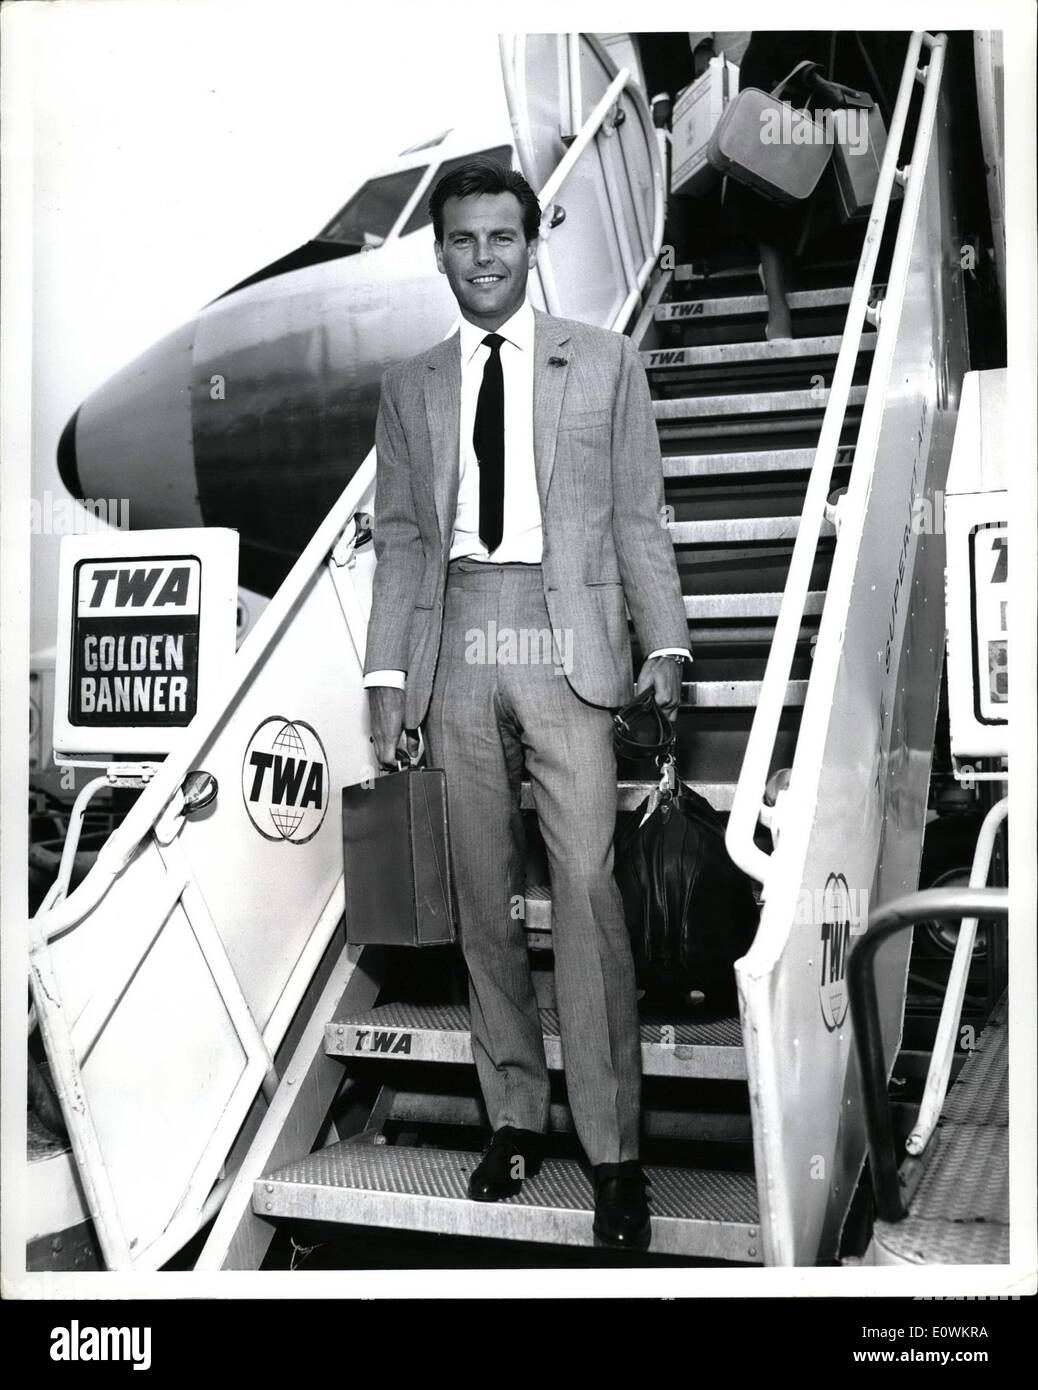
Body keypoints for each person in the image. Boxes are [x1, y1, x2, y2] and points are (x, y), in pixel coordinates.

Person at [363, 159, 691, 1250]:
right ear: (439, 253)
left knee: (587, 888)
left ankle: (615, 1151)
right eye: (463, 239)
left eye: (502, 236)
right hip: (455, 633)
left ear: (532, 243)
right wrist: (386, 677)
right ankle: (512, 1115)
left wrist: (666, 643)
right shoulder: (410, 387)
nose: (484, 256)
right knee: (482, 897)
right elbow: (401, 542)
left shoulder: (604, 360)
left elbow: (638, 515)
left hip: (570, 642)